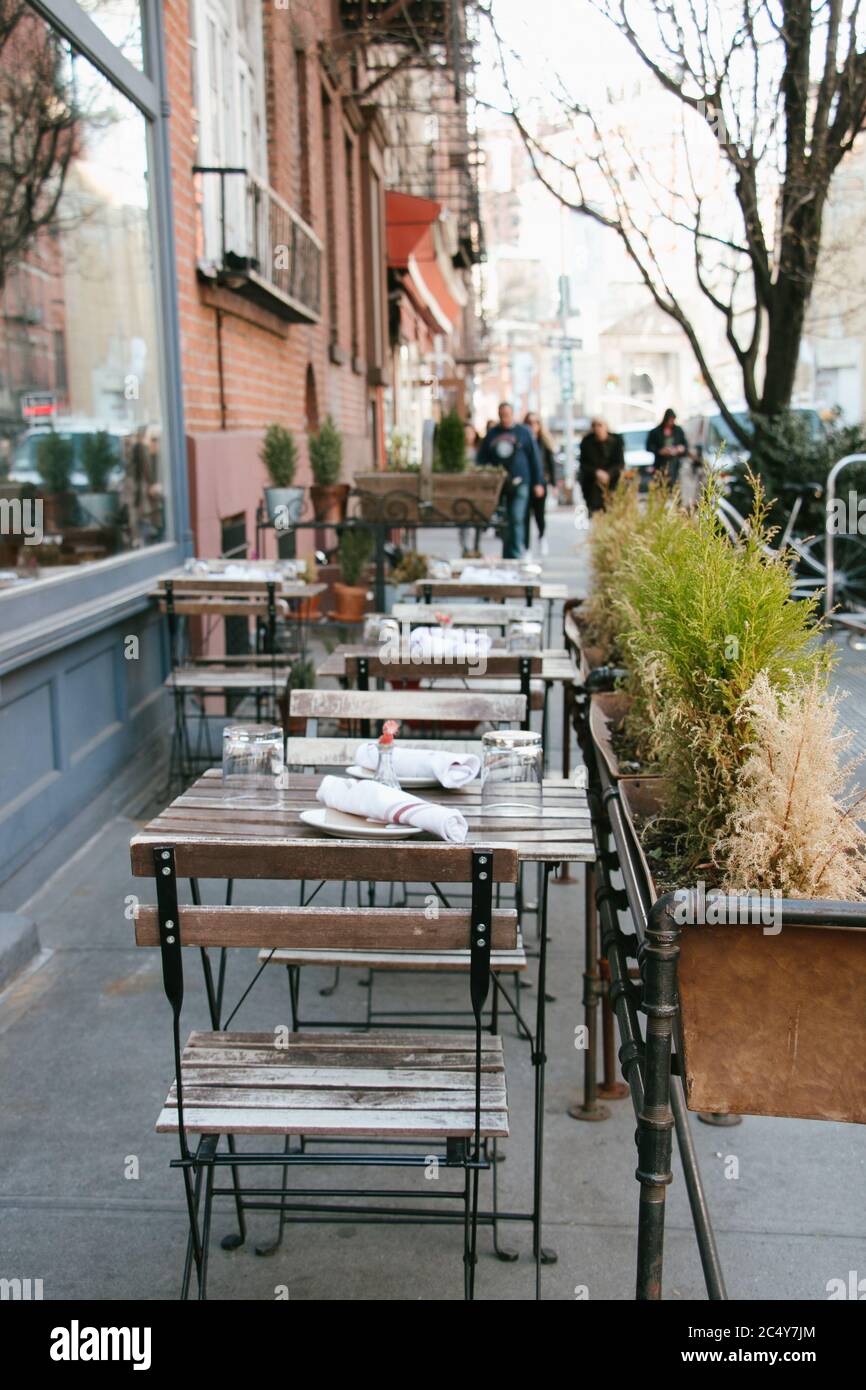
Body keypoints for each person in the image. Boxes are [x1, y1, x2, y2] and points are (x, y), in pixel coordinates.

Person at [478, 402, 545, 559]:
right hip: (500, 484)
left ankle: (516, 554)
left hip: (521, 481)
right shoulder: (492, 434)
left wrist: (538, 482)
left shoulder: (524, 432)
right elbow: (482, 459)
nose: (505, 418)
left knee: (516, 517)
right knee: (504, 520)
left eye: (507, 415)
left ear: (512, 414)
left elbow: (534, 458)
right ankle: (507, 554)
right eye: (502, 415)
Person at [523, 411, 557, 555]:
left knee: (539, 514)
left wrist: (553, 484)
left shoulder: (544, 442)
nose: (533, 426)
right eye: (529, 423)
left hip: (540, 483)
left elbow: (551, 464)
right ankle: (527, 547)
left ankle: (542, 537)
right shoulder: (522, 440)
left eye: (536, 422)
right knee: (525, 516)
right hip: (525, 483)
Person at [578, 417, 624, 514]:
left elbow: (620, 463)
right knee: (595, 512)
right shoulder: (587, 442)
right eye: (594, 426)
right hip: (592, 484)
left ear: (606, 427)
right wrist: (597, 473)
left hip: (613, 482)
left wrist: (608, 474)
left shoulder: (616, 441)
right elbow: (583, 464)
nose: (597, 428)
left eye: (600, 425)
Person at [459, 423, 483, 556]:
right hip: (463, 487)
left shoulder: (479, 449)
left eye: (470, 432)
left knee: (477, 519)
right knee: (464, 519)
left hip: (476, 488)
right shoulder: (458, 450)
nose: (468, 436)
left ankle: (475, 547)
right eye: (465, 433)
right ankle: (466, 548)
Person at [646, 407, 688, 485]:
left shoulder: (678, 430)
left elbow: (685, 445)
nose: (671, 422)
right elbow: (649, 447)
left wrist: (680, 449)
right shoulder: (655, 432)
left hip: (675, 465)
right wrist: (660, 451)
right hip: (660, 464)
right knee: (661, 486)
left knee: (674, 487)